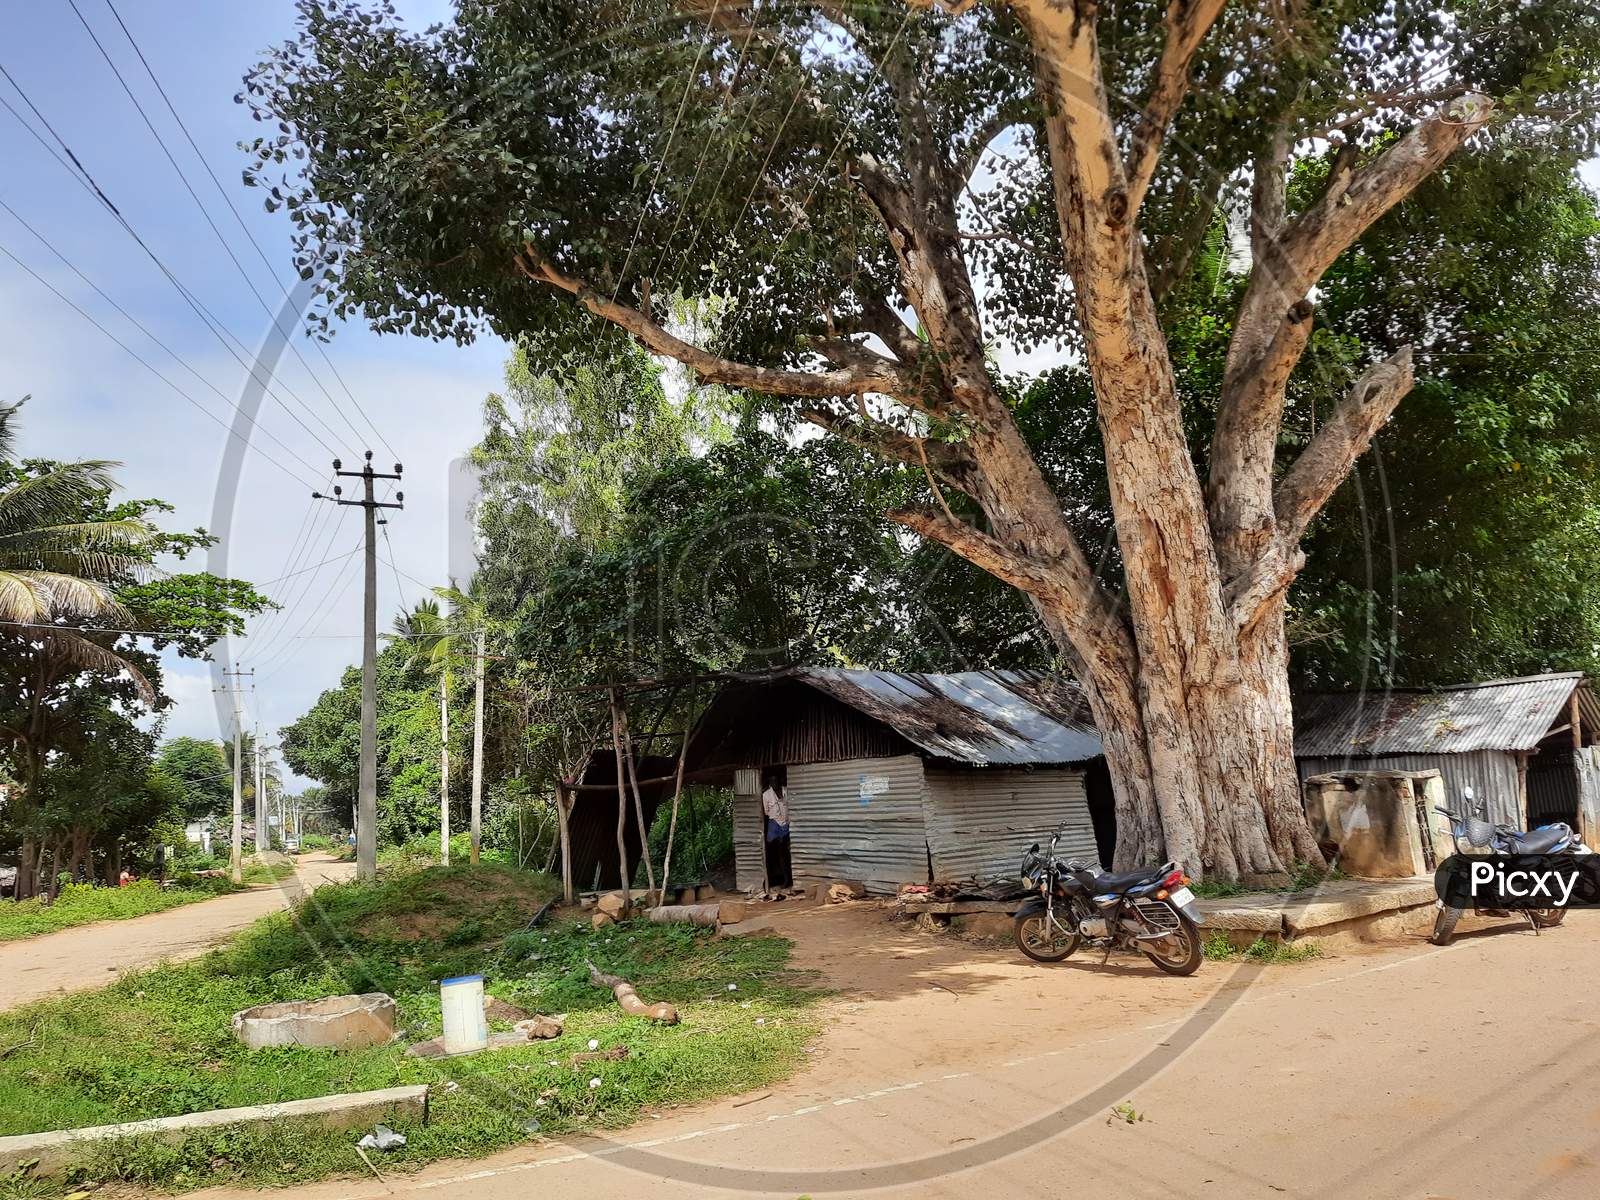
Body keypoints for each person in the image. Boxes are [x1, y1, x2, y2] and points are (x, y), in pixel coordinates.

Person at [761, 775, 792, 889]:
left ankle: (788, 879)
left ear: (780, 781)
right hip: (775, 824)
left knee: (787, 852)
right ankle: (780, 878)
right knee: (776, 851)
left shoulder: (786, 791)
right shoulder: (766, 795)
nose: (775, 782)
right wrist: (777, 820)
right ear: (770, 782)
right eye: (772, 781)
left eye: (776, 780)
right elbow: (766, 812)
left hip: (786, 824)